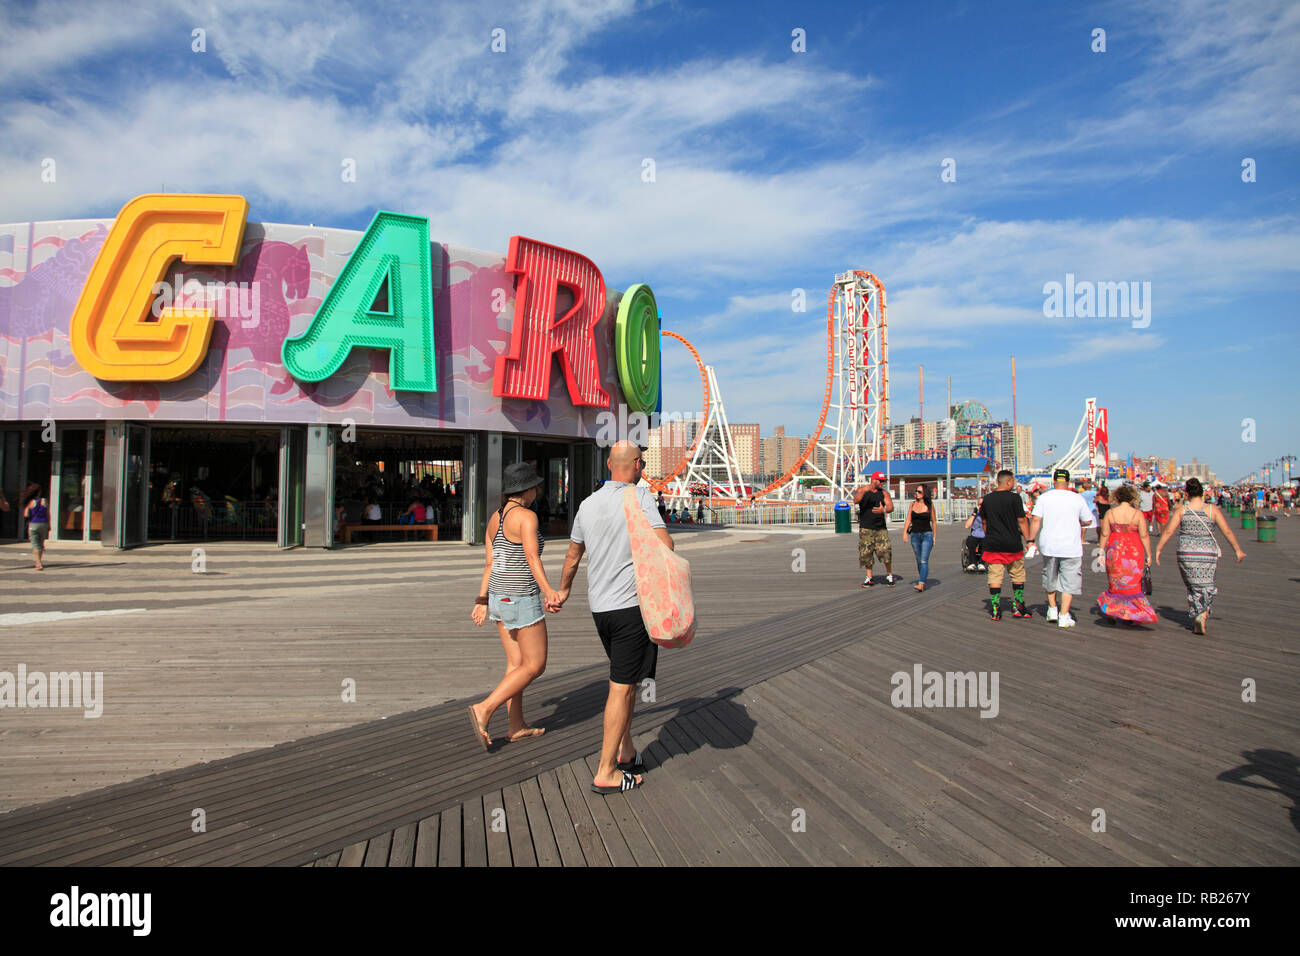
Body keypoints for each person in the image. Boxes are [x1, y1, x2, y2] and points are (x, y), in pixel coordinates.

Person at [552, 442, 669, 794]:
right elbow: (666, 546)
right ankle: (605, 771)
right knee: (620, 688)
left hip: (600, 609)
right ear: (635, 465)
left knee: (627, 681)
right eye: (643, 463)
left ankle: (626, 750)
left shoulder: (587, 505)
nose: (643, 468)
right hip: (632, 608)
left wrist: (563, 591)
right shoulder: (639, 498)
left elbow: (573, 557)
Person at [467, 463, 559, 749]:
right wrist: (550, 592)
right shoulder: (527, 517)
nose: (538, 490)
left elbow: (490, 563)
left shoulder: (496, 517)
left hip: (498, 597)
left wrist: (481, 599)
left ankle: (516, 725)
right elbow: (532, 558)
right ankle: (484, 708)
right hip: (521, 598)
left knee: (516, 664)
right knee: (535, 664)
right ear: (527, 489)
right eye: (536, 486)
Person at [1155, 477, 1245, 635]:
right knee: (1206, 584)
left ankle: (1197, 613)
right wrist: (1237, 550)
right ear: (1202, 492)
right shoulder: (1212, 510)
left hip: (1186, 551)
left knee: (1192, 586)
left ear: (1187, 493)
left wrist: (1159, 548)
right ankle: (1201, 615)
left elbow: (1169, 530)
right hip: (1207, 552)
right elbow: (1227, 531)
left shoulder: (1182, 509)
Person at [1027, 468, 1095, 629]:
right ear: (1069, 482)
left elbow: (1036, 520)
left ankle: (1052, 609)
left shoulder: (1044, 498)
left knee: (1050, 576)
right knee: (1069, 580)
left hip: (1049, 544)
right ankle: (1064, 615)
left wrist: (1030, 540)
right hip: (1071, 545)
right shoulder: (1077, 498)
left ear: (1054, 481)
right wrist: (1075, 521)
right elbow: (1088, 521)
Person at [1096, 485, 1157, 626]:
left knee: (1115, 583)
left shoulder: (1110, 513)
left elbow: (1105, 534)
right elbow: (1144, 535)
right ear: (1132, 498)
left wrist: (1100, 552)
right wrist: (1149, 554)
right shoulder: (1137, 514)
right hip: (1133, 552)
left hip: (1115, 550)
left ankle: (1113, 610)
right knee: (1132, 584)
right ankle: (1129, 615)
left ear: (1117, 497)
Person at [976, 470, 1030, 620]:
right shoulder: (1015, 498)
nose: (1014, 484)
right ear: (1008, 482)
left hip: (993, 544)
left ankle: (995, 609)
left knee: (994, 577)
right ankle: (1019, 606)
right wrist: (1029, 540)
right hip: (1012, 543)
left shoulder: (987, 499)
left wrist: (988, 536)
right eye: (1013, 481)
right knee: (1017, 575)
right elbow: (1022, 520)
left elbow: (984, 522)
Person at [852, 471, 894, 587]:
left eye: (883, 481)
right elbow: (855, 500)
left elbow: (890, 506)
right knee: (866, 553)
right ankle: (869, 577)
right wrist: (863, 491)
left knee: (885, 551)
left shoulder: (884, 493)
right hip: (866, 527)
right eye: (880, 481)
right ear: (873, 480)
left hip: (880, 528)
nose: (882, 483)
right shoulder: (863, 490)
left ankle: (889, 574)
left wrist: (884, 510)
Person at [904, 484, 936, 591]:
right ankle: (922, 578)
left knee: (923, 560)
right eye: (916, 491)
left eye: (919, 492)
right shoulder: (912, 504)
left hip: (927, 535)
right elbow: (908, 519)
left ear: (925, 493)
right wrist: (905, 533)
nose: (916, 493)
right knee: (918, 560)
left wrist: (934, 537)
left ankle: (921, 583)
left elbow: (934, 522)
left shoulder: (930, 506)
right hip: (914, 535)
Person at [23, 483, 51, 571]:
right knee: (41, 544)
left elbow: (26, 515)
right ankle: (38, 562)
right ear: (39, 492)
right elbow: (48, 514)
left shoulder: (30, 502)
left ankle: (38, 564)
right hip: (44, 524)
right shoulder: (44, 501)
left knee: (35, 545)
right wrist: (49, 525)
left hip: (33, 524)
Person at [962, 495, 986, 571]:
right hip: (975, 535)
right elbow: (967, 526)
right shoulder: (974, 515)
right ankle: (972, 563)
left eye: (982, 504)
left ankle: (981, 563)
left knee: (987, 543)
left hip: (985, 535)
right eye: (979, 504)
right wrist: (974, 514)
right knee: (970, 541)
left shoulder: (989, 514)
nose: (980, 506)